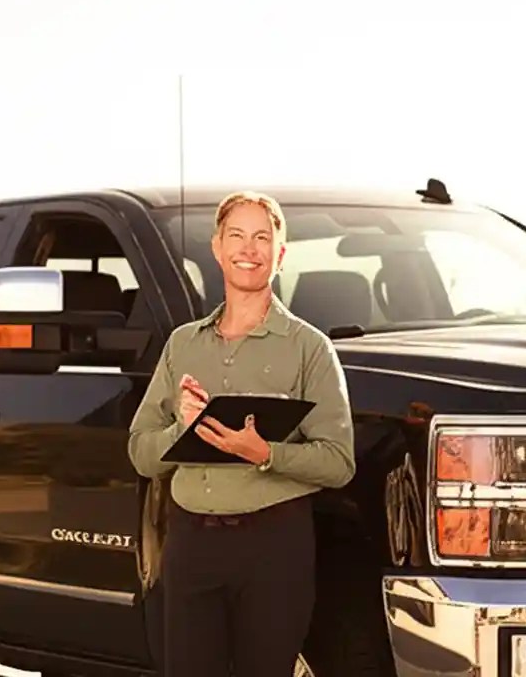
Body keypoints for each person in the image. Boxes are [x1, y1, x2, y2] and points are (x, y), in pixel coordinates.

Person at [127, 190, 356, 677]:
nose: (248, 249)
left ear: (280, 254)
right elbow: (141, 456)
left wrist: (267, 453)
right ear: (216, 247)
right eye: (236, 236)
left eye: (261, 238)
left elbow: (339, 462)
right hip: (191, 544)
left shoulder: (309, 349)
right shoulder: (182, 345)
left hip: (273, 548)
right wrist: (180, 429)